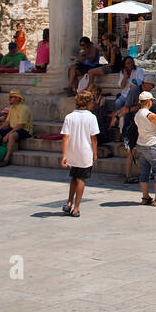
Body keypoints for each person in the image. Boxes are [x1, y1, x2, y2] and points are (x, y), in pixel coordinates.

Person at [60, 89, 99, 217]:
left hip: (72, 151)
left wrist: (64, 154)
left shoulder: (69, 117)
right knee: (81, 178)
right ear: (88, 103)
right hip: (85, 151)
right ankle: (76, 207)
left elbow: (65, 136)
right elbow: (94, 138)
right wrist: (95, 153)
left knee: (74, 177)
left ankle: (69, 202)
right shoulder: (91, 117)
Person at [0, 90, 33, 166]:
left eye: (11, 97)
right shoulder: (11, 108)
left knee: (11, 136)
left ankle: (6, 159)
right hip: (14, 128)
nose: (9, 99)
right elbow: (7, 122)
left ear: (18, 98)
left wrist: (7, 134)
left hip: (25, 130)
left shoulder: (24, 109)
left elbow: (21, 126)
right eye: (10, 97)